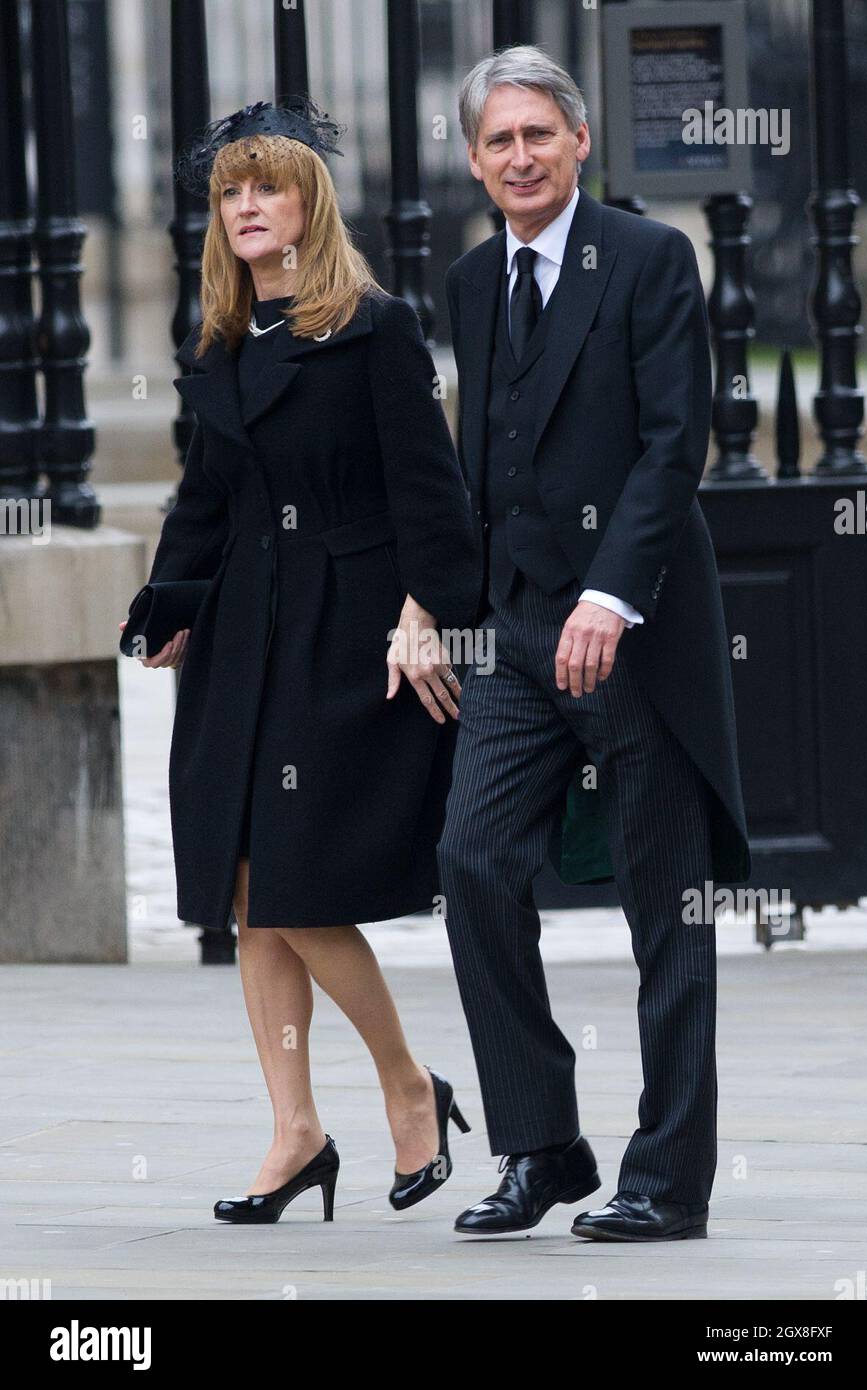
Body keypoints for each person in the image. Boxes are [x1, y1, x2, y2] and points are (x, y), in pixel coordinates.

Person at [121, 98, 481, 1224]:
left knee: (302, 880)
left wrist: (427, 609)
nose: (244, 207)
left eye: (266, 187)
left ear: (308, 200)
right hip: (242, 637)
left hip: (345, 628)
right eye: (230, 191)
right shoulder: (226, 339)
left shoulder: (374, 324)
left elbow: (431, 485)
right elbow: (208, 499)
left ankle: (406, 1083)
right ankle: (295, 1129)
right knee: (245, 890)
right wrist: (164, 608)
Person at [439, 48, 751, 1241]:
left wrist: (611, 596)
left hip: (635, 632)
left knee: (666, 909)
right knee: (470, 861)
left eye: (538, 135)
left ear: (578, 141)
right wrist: (439, 608)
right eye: (497, 141)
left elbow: (676, 446)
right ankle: (543, 1143)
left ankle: (667, 1179)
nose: (519, 157)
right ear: (473, 161)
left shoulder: (651, 258)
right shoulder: (472, 281)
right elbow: (480, 464)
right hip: (518, 632)